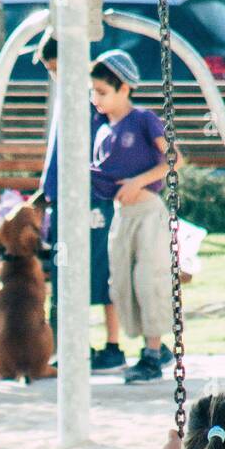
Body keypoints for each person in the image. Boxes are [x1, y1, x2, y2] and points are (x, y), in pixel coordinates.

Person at [34, 31, 123, 370]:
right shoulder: (68, 97)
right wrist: (47, 190)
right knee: (64, 271)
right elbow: (57, 151)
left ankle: (112, 344)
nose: (55, 75)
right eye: (50, 70)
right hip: (64, 200)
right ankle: (68, 345)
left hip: (93, 197)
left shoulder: (92, 98)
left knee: (101, 270)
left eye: (56, 68)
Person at [90, 49, 176, 384]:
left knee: (148, 279)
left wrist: (139, 181)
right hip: (120, 215)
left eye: (102, 92)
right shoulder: (101, 128)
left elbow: (174, 158)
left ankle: (152, 355)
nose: (96, 99)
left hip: (147, 212)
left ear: (124, 88)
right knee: (122, 284)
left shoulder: (143, 119)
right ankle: (154, 346)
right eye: (93, 92)